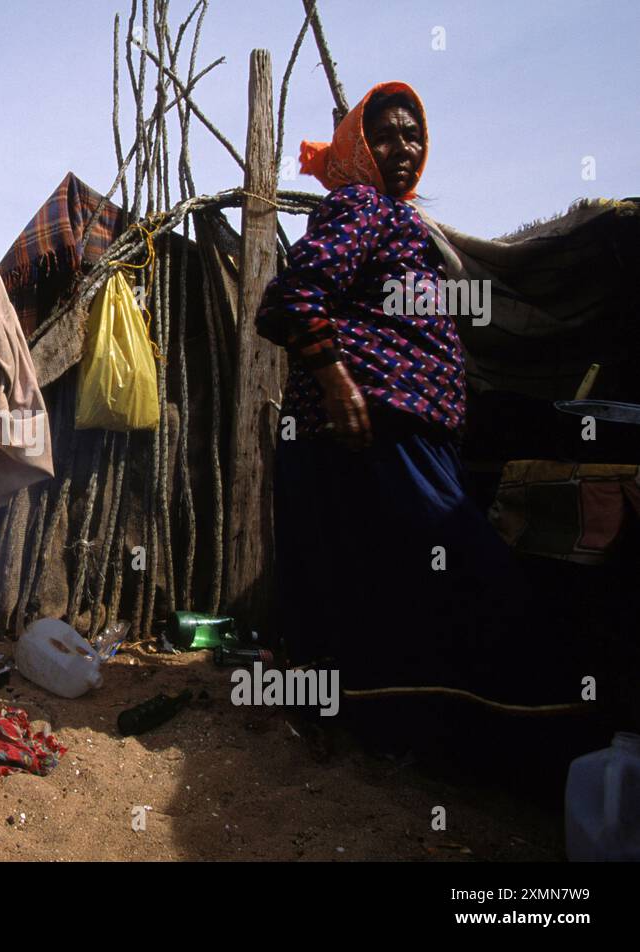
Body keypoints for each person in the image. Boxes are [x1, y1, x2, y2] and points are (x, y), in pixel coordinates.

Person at [256, 82, 530, 696]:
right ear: (359, 145)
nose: (402, 145)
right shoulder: (363, 206)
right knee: (469, 568)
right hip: (380, 423)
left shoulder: (400, 218)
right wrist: (337, 385)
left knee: (380, 580)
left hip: (402, 424)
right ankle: (520, 714)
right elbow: (294, 298)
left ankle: (385, 720)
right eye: (384, 134)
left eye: (413, 134)